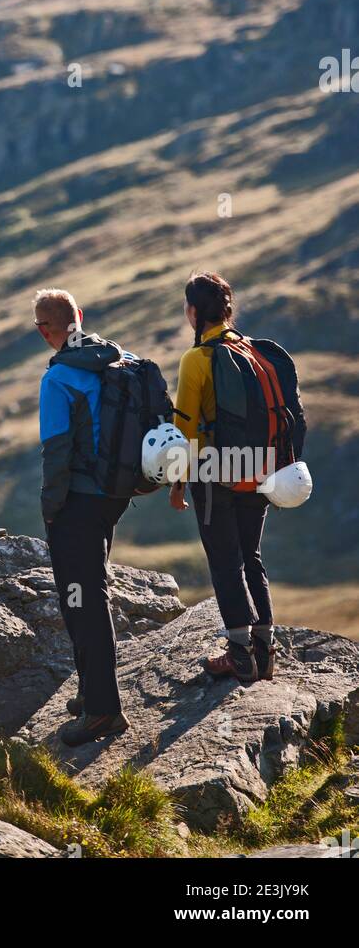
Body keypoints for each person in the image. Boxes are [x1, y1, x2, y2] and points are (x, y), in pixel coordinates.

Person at [169, 271, 306, 683]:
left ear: (194, 312)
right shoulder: (252, 351)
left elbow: (186, 429)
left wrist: (177, 482)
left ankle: (239, 655)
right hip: (260, 471)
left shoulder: (198, 359)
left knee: (225, 562)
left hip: (216, 474)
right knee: (251, 557)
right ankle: (264, 650)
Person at [34, 287, 130, 747]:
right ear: (81, 317)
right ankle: (93, 691)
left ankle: (102, 712)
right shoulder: (115, 359)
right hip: (111, 497)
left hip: (76, 503)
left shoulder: (57, 380)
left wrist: (51, 511)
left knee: (82, 601)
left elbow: (56, 455)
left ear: (44, 330)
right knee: (91, 593)